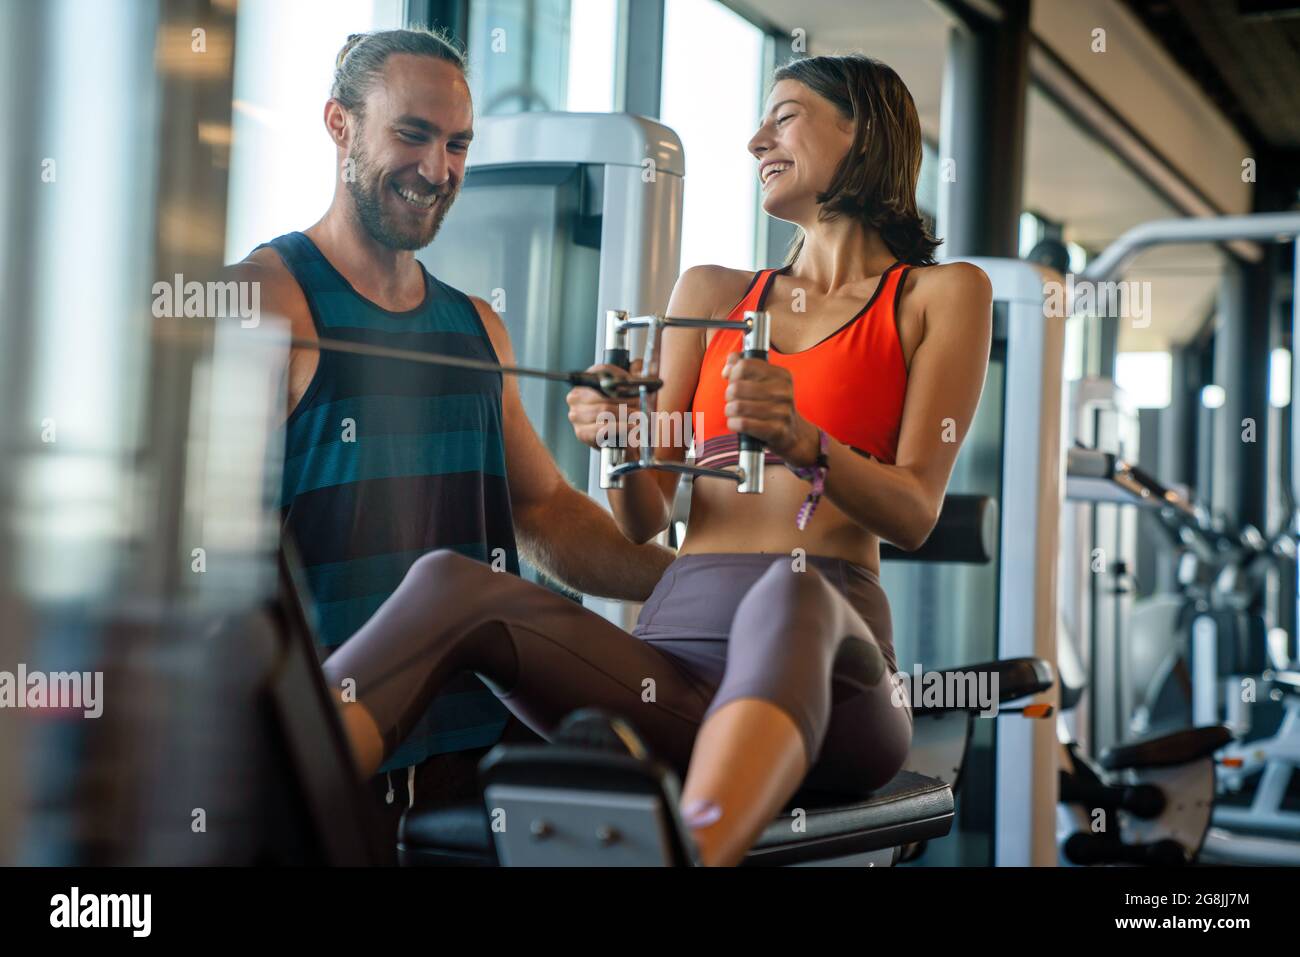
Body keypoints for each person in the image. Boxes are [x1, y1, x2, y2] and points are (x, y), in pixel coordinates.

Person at [321, 52, 993, 867]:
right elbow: (645, 517)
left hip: (830, 666)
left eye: (783, 117)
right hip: (672, 667)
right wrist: (619, 439)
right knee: (448, 584)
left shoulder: (938, 295)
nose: (755, 141)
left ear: (865, 132)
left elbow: (916, 511)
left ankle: (690, 851)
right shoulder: (712, 295)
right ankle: (278, 789)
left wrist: (804, 440)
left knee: (793, 587)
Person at [227, 28, 675, 849]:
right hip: (323, 775)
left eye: (458, 144)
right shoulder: (263, 302)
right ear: (338, 124)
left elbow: (546, 512)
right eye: (413, 135)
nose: (438, 171)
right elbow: (200, 560)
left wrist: (703, 582)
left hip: (472, 777)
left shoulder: (478, 327)